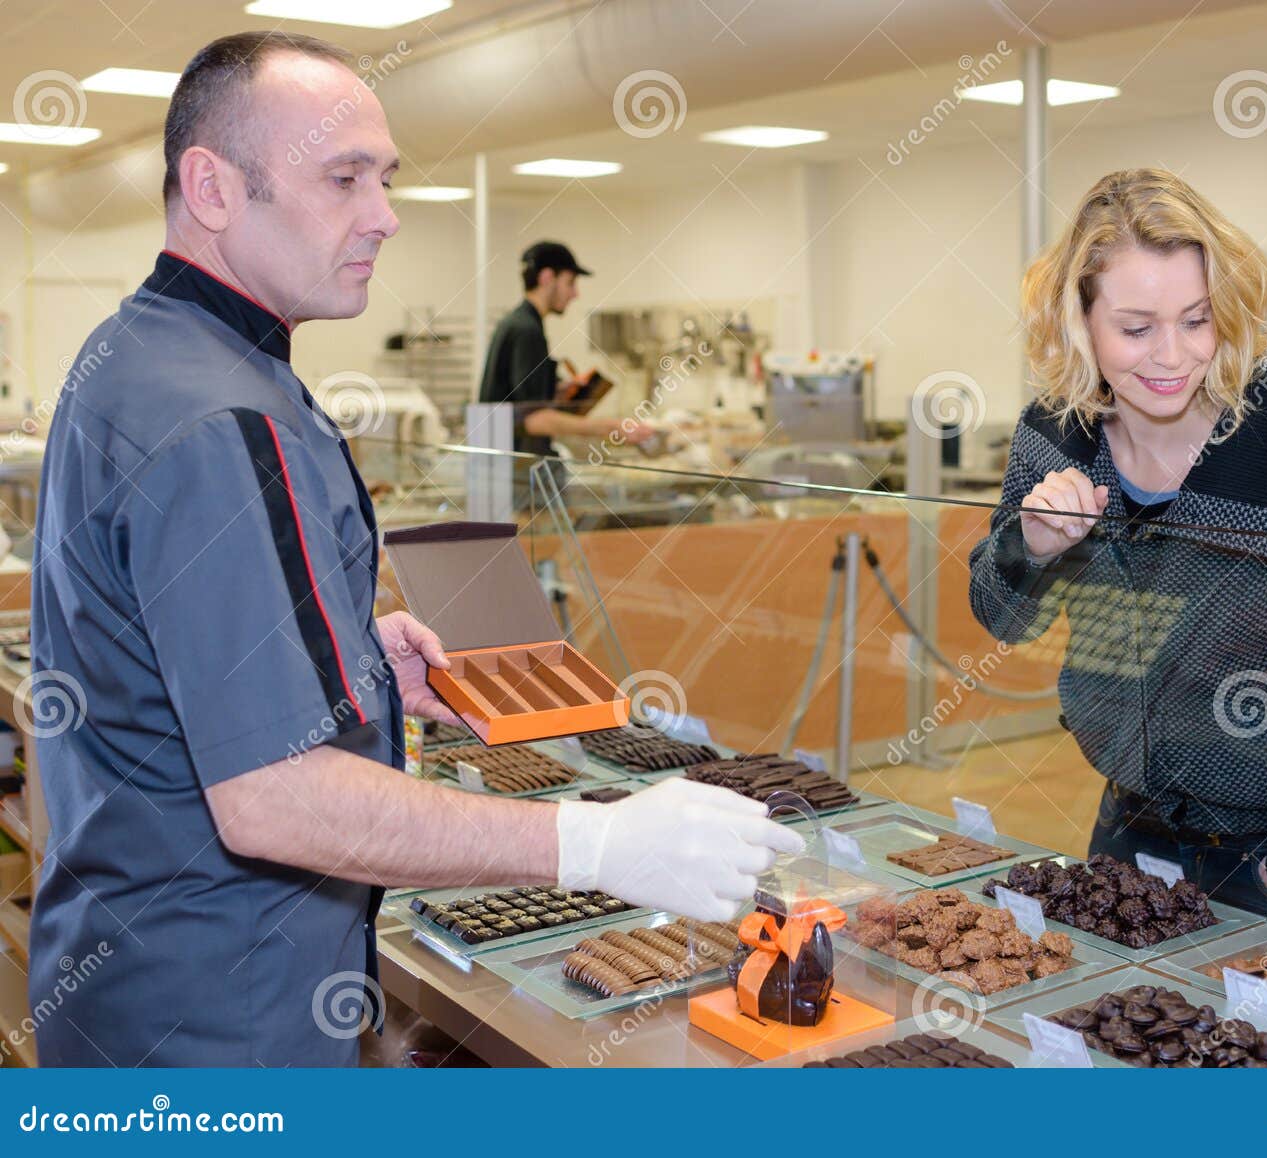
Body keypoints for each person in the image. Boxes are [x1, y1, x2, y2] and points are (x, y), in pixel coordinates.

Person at [28, 31, 800, 1068]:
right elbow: (274, 796)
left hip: (123, 980)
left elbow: (166, 644)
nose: (384, 216)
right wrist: (595, 841)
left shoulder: (142, 353)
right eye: (343, 179)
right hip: (220, 1018)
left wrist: (342, 660)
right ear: (211, 186)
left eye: (384, 179)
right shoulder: (222, 419)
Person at [968, 168, 1267, 941]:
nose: (1172, 355)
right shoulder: (1052, 440)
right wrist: (1029, 545)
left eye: (1196, 320)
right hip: (1125, 835)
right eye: (1135, 327)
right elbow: (1003, 617)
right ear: (1079, 323)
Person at [479, 241, 654, 458]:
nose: (575, 294)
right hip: (511, 467)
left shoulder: (516, 323)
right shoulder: (527, 331)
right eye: (570, 283)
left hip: (499, 462)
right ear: (546, 278)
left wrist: (556, 391)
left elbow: (517, 400)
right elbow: (533, 419)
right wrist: (611, 428)